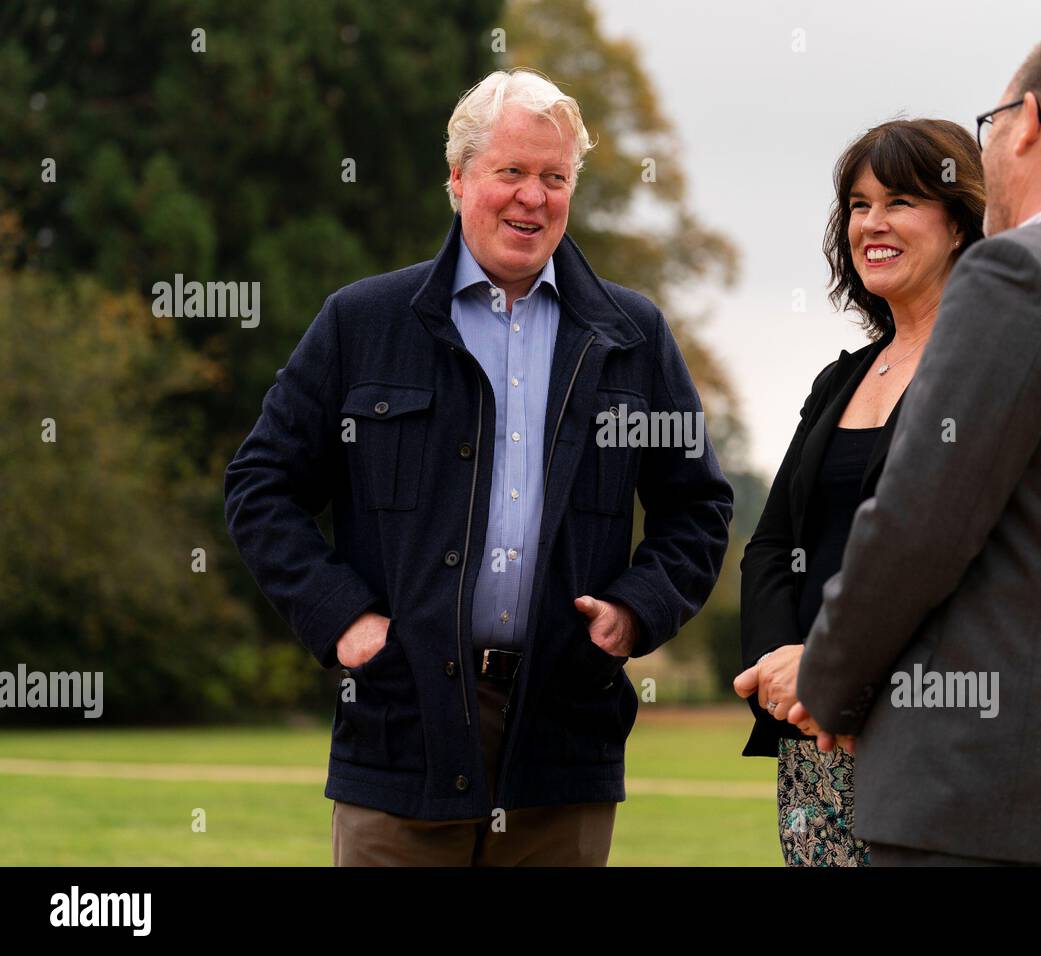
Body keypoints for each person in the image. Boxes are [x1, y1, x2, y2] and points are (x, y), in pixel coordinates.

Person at [224, 68, 733, 866]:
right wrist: (344, 621)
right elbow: (260, 486)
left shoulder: (634, 336)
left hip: (563, 737)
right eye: (512, 172)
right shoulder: (363, 322)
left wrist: (635, 612)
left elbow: (698, 508)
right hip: (402, 725)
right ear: (458, 180)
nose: (534, 197)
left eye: (555, 177)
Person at [793, 24, 1041, 866]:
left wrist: (825, 682)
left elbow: (917, 525)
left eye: (992, 125)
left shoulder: (1016, 273)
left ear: (1030, 120)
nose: (991, 147)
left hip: (960, 797)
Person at [734, 119, 985, 866]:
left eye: (900, 200)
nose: (871, 223)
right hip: (813, 745)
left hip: (922, 736)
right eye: (857, 203)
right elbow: (771, 544)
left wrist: (831, 666)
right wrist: (786, 668)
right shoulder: (838, 380)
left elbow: (952, 561)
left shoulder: (982, 374)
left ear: (961, 224)